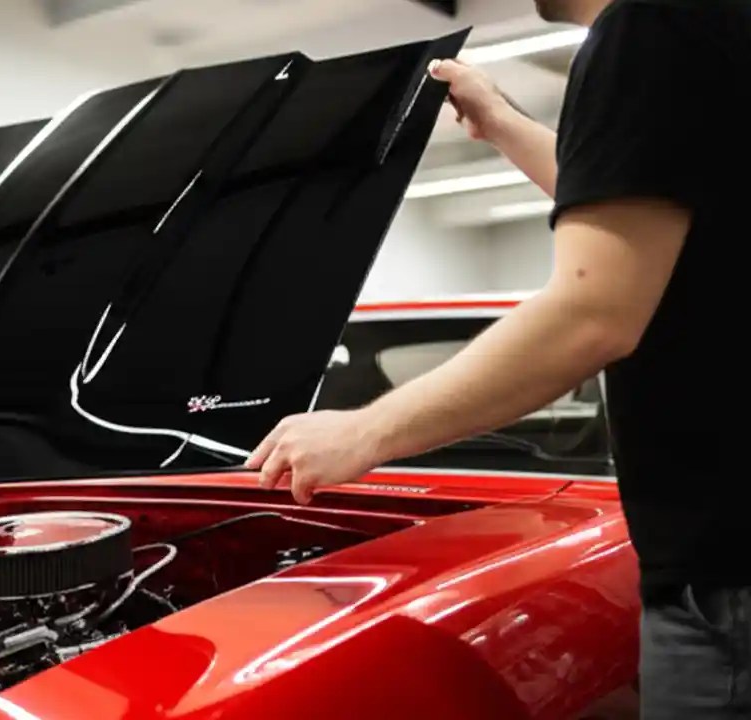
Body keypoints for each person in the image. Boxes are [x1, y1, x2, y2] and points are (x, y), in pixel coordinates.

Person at [246, 0, 750, 716]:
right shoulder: (708, 25)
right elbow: (650, 195)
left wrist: (363, 430)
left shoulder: (646, 25)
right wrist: (503, 124)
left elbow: (593, 315)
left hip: (728, 587)